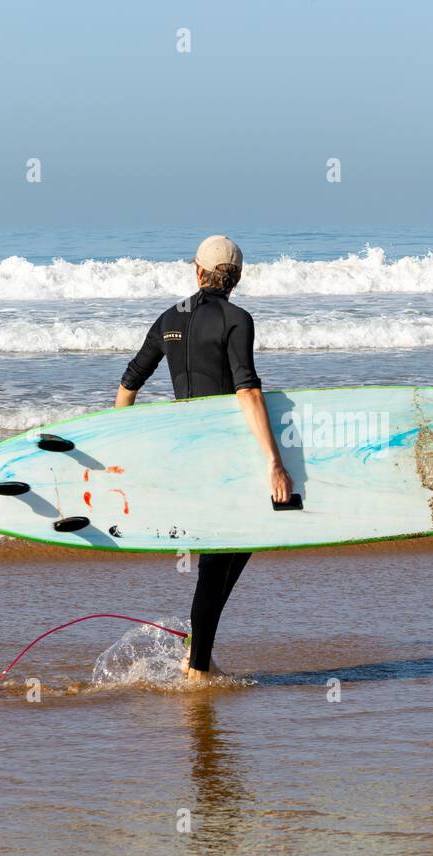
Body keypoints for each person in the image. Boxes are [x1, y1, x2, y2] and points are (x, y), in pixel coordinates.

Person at [115, 236, 292, 684]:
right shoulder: (237, 319)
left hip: (186, 456)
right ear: (236, 277)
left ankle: (200, 655)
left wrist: (121, 442)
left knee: (231, 548)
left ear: (197, 271)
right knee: (220, 558)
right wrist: (274, 461)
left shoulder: (169, 318)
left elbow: (130, 381)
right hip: (226, 457)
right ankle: (196, 667)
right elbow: (247, 390)